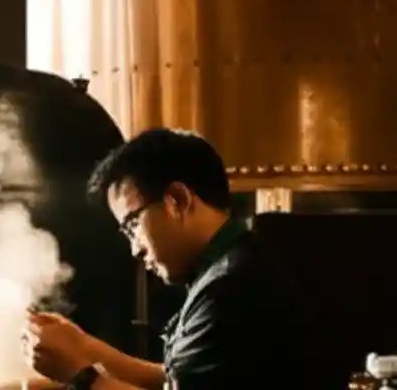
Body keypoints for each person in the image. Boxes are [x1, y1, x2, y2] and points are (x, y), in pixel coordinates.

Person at [23, 128, 318, 389]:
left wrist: (81, 376)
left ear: (177, 200)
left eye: (132, 225)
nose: (134, 249)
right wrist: (84, 348)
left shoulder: (230, 289)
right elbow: (178, 380)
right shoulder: (234, 266)